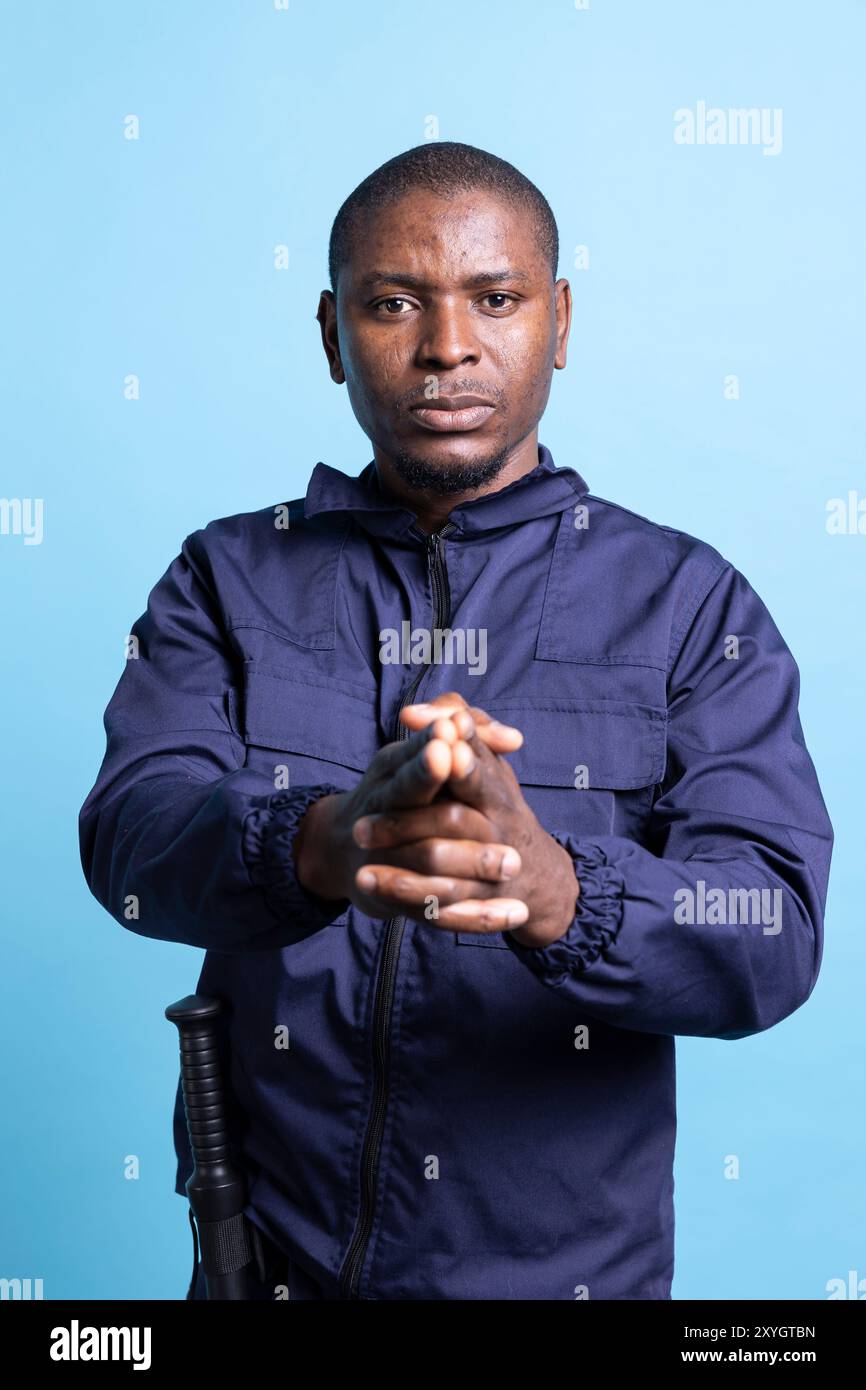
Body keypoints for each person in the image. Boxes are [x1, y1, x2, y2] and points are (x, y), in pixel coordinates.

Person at [78, 141, 834, 1301]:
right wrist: (317, 844)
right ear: (331, 331)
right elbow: (130, 840)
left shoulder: (689, 604)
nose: (446, 347)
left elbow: (770, 932)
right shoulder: (226, 577)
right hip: (267, 1271)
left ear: (561, 319)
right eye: (393, 303)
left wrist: (559, 893)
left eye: (496, 298)